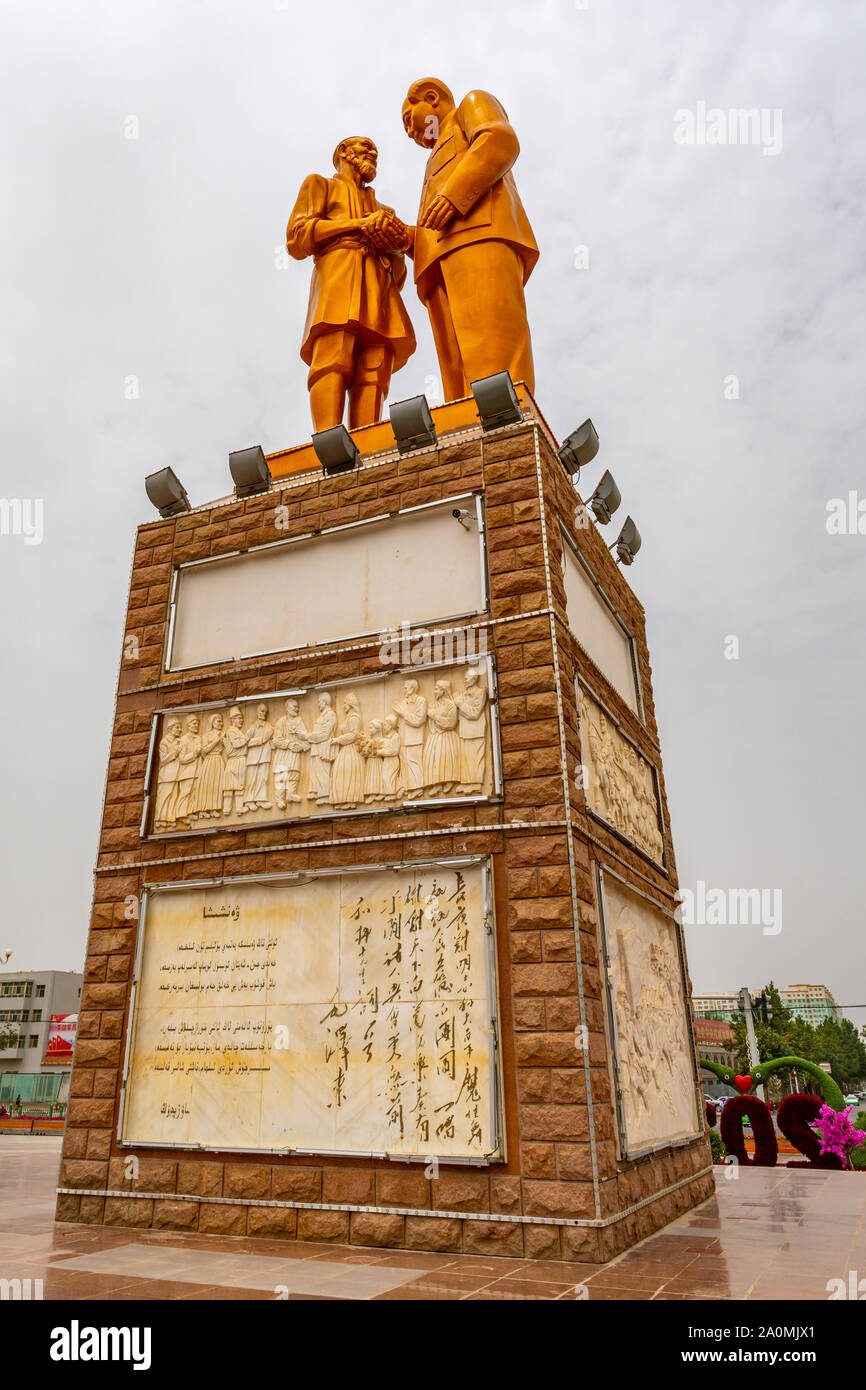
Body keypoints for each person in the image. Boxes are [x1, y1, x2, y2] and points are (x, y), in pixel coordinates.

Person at [401, 77, 538, 401]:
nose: (411, 132)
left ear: (431, 97)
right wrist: (407, 238)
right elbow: (434, 219)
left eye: (410, 120)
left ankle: (506, 421)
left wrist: (453, 195)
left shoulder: (471, 105)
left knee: (493, 353)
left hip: (481, 239)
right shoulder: (431, 160)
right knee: (457, 372)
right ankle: (465, 425)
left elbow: (498, 140)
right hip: (439, 263)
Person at [286, 136, 416, 430]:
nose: (372, 153)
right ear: (343, 152)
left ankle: (366, 439)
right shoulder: (320, 185)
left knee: (376, 364)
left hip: (378, 286)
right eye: (364, 147)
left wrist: (393, 244)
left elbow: (400, 274)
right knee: (334, 355)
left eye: (375, 151)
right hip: (339, 276)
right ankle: (329, 437)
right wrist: (358, 225)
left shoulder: (385, 209)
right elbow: (297, 237)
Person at [272, 698, 310, 809]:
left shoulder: (299, 721)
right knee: (281, 775)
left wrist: (302, 747)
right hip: (283, 753)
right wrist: (289, 744)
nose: (297, 709)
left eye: (298, 707)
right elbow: (276, 740)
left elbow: (305, 737)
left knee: (294, 773)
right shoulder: (281, 722)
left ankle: (291, 794)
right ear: (287, 708)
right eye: (294, 706)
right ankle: (279, 799)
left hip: (294, 753)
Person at [330, 694, 366, 809]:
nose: (343, 706)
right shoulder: (348, 717)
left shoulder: (354, 718)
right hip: (345, 750)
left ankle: (351, 800)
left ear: (350, 704)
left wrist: (338, 740)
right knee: (341, 773)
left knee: (349, 774)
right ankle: (342, 800)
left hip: (351, 750)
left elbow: (353, 735)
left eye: (345, 703)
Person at [195, 713, 226, 819]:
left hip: (218, 759)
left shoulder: (223, 734)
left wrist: (223, 739)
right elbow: (205, 750)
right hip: (209, 761)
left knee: (217, 784)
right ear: (212, 722)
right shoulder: (206, 735)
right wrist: (216, 740)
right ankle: (202, 810)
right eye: (218, 721)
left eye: (221, 721)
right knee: (206, 785)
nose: (221, 723)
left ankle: (213, 808)